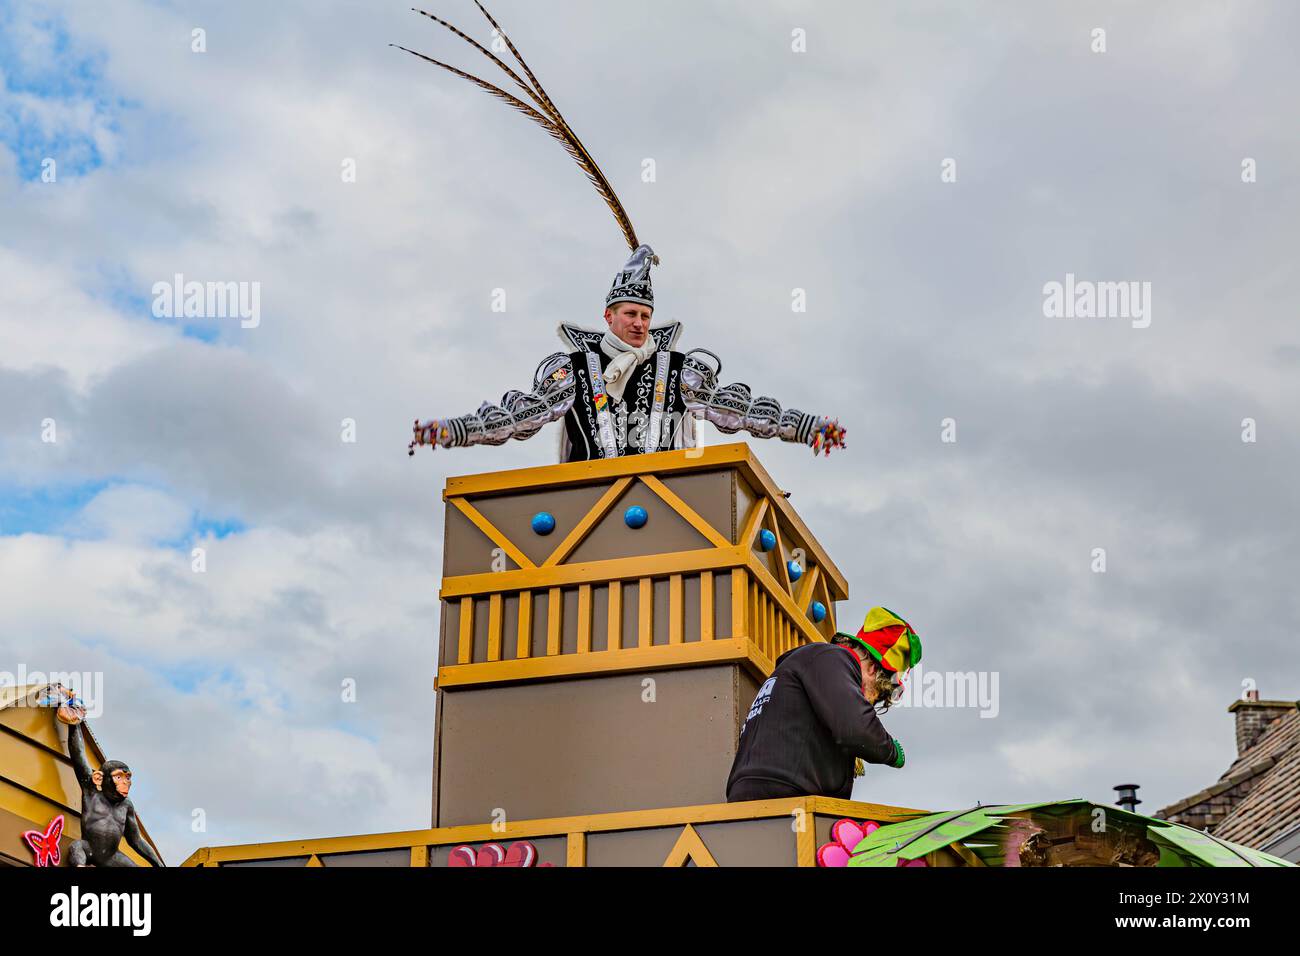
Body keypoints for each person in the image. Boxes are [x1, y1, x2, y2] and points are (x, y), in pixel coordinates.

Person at [409, 245, 847, 463]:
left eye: (645, 315)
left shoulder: (678, 372)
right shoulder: (575, 370)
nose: (639, 323)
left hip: (667, 506)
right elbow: (524, 415)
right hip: (583, 510)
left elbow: (739, 411)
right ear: (609, 316)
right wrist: (454, 431)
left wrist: (805, 428)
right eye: (631, 314)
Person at [726, 607, 922, 802]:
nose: (870, 703)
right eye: (878, 693)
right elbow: (856, 728)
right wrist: (890, 751)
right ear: (872, 669)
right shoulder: (834, 659)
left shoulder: (814, 664)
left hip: (769, 792)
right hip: (785, 793)